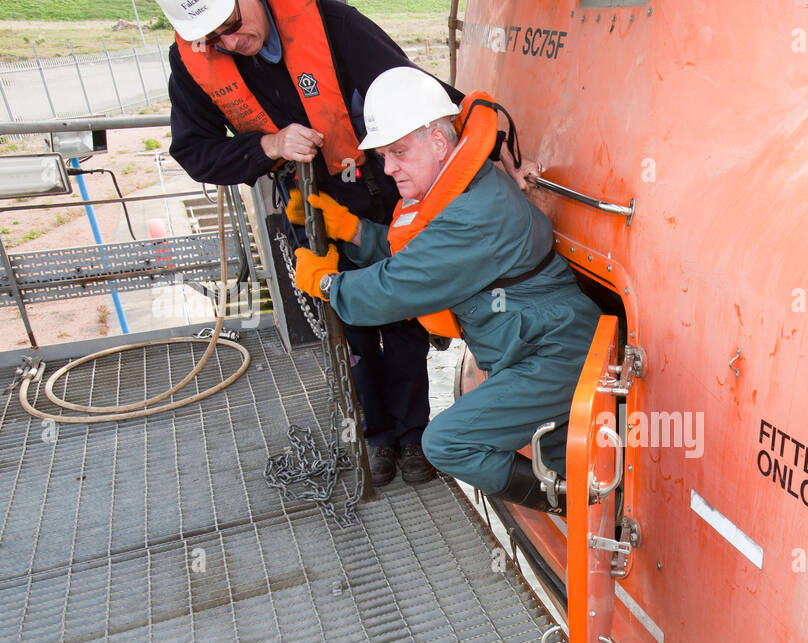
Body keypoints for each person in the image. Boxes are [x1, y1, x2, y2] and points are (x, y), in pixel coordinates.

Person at [159, 0, 534, 485]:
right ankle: (375, 438)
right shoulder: (191, 62)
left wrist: (498, 145)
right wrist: (267, 147)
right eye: (214, 39)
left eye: (231, 25)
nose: (229, 43)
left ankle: (413, 434)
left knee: (403, 322)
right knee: (349, 332)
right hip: (310, 213)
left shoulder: (331, 24)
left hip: (380, 198)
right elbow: (195, 151)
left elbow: (416, 89)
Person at [291, 67, 601, 513]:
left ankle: (572, 504)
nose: (388, 166)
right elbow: (421, 256)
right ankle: (583, 510)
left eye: (398, 151)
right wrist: (352, 231)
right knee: (561, 453)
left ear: (438, 142)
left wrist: (325, 284)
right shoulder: (461, 188)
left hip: (554, 353)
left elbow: (392, 289)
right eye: (382, 154)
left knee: (449, 443)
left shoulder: (473, 214)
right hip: (536, 346)